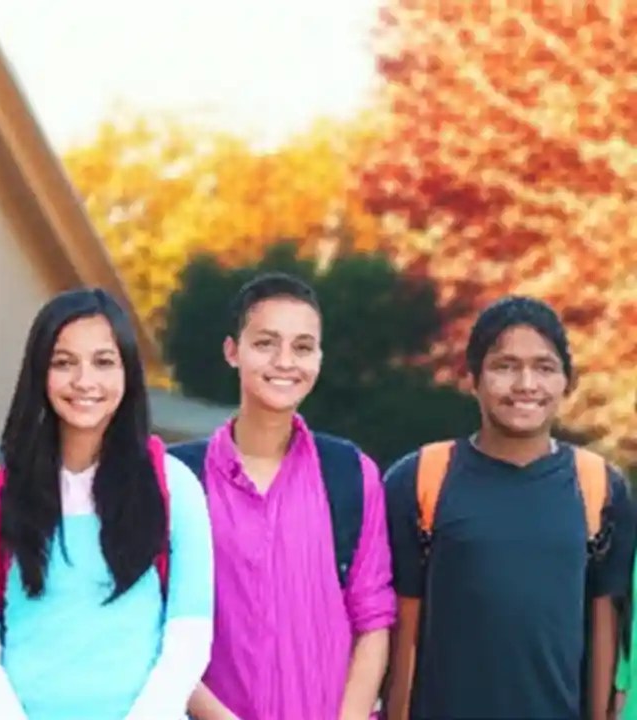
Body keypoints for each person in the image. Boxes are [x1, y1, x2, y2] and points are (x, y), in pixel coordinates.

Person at [0, 288, 213, 719]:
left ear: (128, 372)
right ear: (39, 373)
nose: (84, 381)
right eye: (63, 362)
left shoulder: (174, 488)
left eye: (103, 362)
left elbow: (189, 636)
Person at [384, 295, 636, 720]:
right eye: (504, 366)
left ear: (566, 382)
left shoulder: (600, 487)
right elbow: (397, 626)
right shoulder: (422, 478)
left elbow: (606, 632)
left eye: (544, 367)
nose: (525, 385)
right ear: (474, 378)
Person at [176, 273, 395, 720]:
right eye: (265, 343)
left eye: (302, 347)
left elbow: (373, 621)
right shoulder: (181, 480)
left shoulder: (351, 475)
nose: (284, 362)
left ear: (319, 357)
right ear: (232, 351)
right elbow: (152, 626)